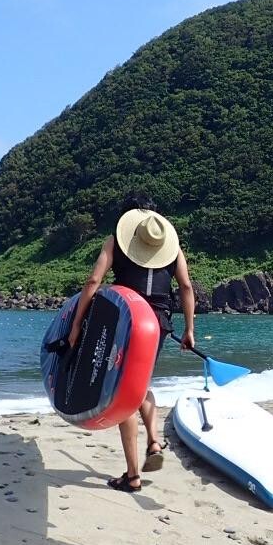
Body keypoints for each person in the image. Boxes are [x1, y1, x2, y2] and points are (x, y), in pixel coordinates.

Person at [67, 193, 196, 492]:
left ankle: (133, 475)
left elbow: (93, 282)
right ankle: (153, 439)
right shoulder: (173, 249)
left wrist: (76, 325)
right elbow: (187, 286)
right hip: (158, 325)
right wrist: (190, 329)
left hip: (126, 321)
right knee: (139, 385)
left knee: (124, 392)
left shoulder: (115, 243)